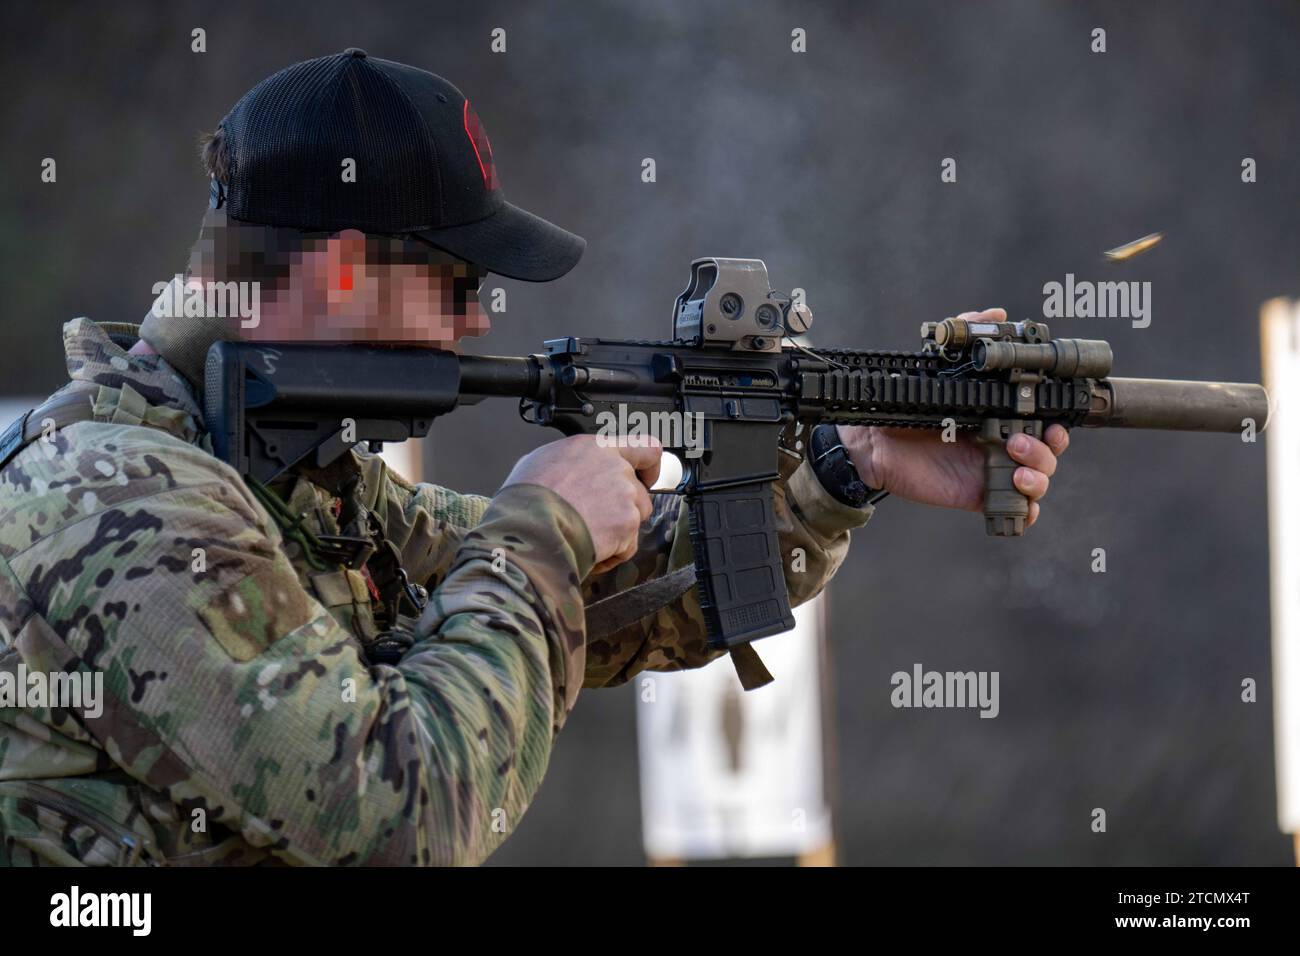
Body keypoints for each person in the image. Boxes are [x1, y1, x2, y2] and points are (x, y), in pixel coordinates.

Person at [0, 50, 1067, 866]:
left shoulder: (286, 476)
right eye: (457, 284)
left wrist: (845, 465)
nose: (472, 323)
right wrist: (538, 535)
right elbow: (402, 814)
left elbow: (617, 596)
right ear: (335, 277)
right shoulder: (117, 501)